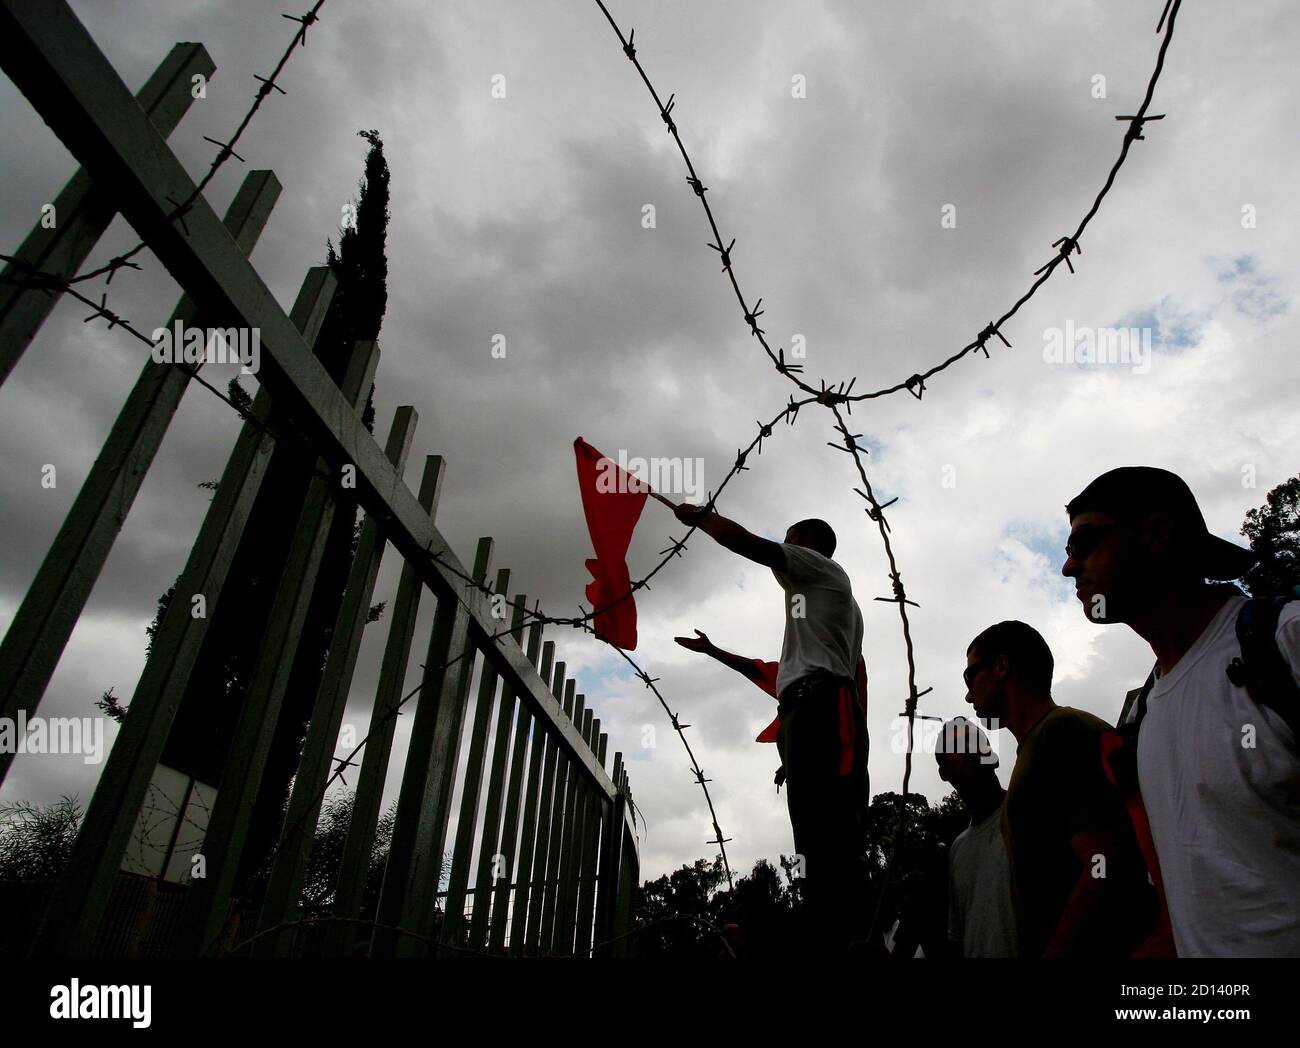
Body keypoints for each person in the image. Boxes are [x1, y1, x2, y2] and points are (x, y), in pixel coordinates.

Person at [1062, 466, 1300, 957]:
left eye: (1084, 544)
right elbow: (1187, 915)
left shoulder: (1283, 645)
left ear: (1155, 534)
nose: (1069, 568)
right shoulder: (1141, 719)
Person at [673, 505, 868, 952]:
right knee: (817, 833)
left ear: (807, 545)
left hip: (822, 710)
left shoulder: (821, 569)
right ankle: (828, 929)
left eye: (790, 539)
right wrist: (714, 651)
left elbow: (747, 544)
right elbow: (770, 672)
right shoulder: (818, 617)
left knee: (829, 832)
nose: (785, 548)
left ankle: (844, 935)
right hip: (808, 709)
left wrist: (702, 518)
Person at [964, 620, 1154, 957]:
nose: (968, 694)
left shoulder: (1061, 733)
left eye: (970, 677)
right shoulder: (1038, 747)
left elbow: (1104, 862)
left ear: (1002, 666)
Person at [672, 627, 868, 790]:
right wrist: (712, 650)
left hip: (840, 761)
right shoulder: (799, 671)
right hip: (802, 753)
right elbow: (759, 670)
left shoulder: (845, 668)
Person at [935, 716, 1017, 958]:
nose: (968, 749)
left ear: (993, 756)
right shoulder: (958, 851)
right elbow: (958, 936)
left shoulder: (1030, 813)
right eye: (956, 747)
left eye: (973, 741)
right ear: (944, 772)